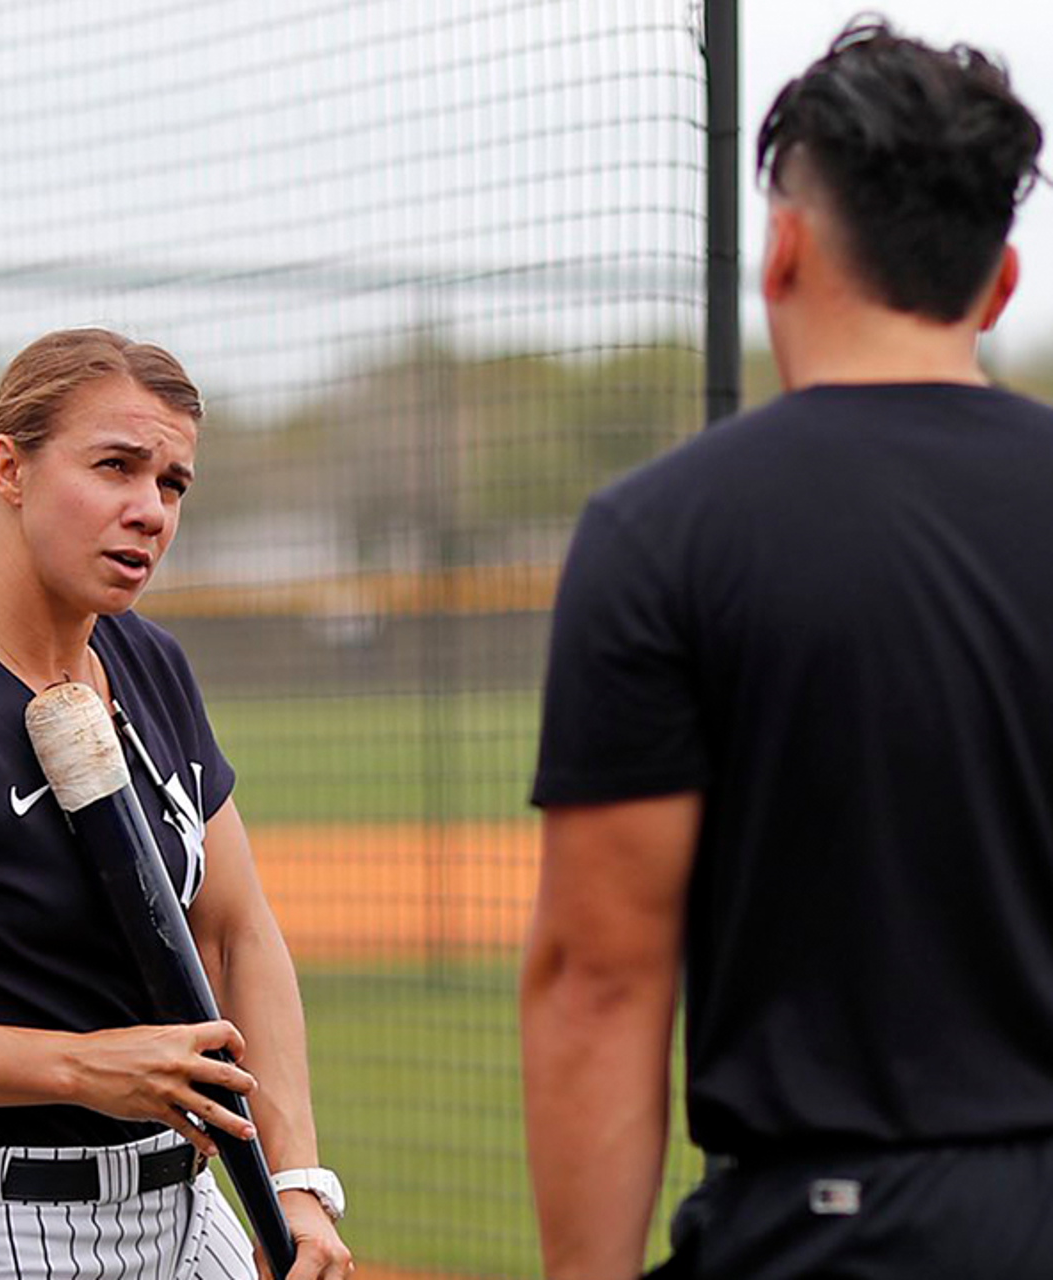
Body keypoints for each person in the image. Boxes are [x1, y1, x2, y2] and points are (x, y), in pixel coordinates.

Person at [521, 18, 1051, 1280]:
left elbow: (599, 977)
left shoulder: (662, 532)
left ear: (784, 245)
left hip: (831, 1231)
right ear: (999, 281)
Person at [0, 328, 353, 1280]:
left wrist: (298, 1180)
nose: (149, 511)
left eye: (171, 484)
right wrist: (79, 1065)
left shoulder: (148, 661)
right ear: (10, 466)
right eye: (115, 467)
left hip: (184, 1216)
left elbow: (239, 929)